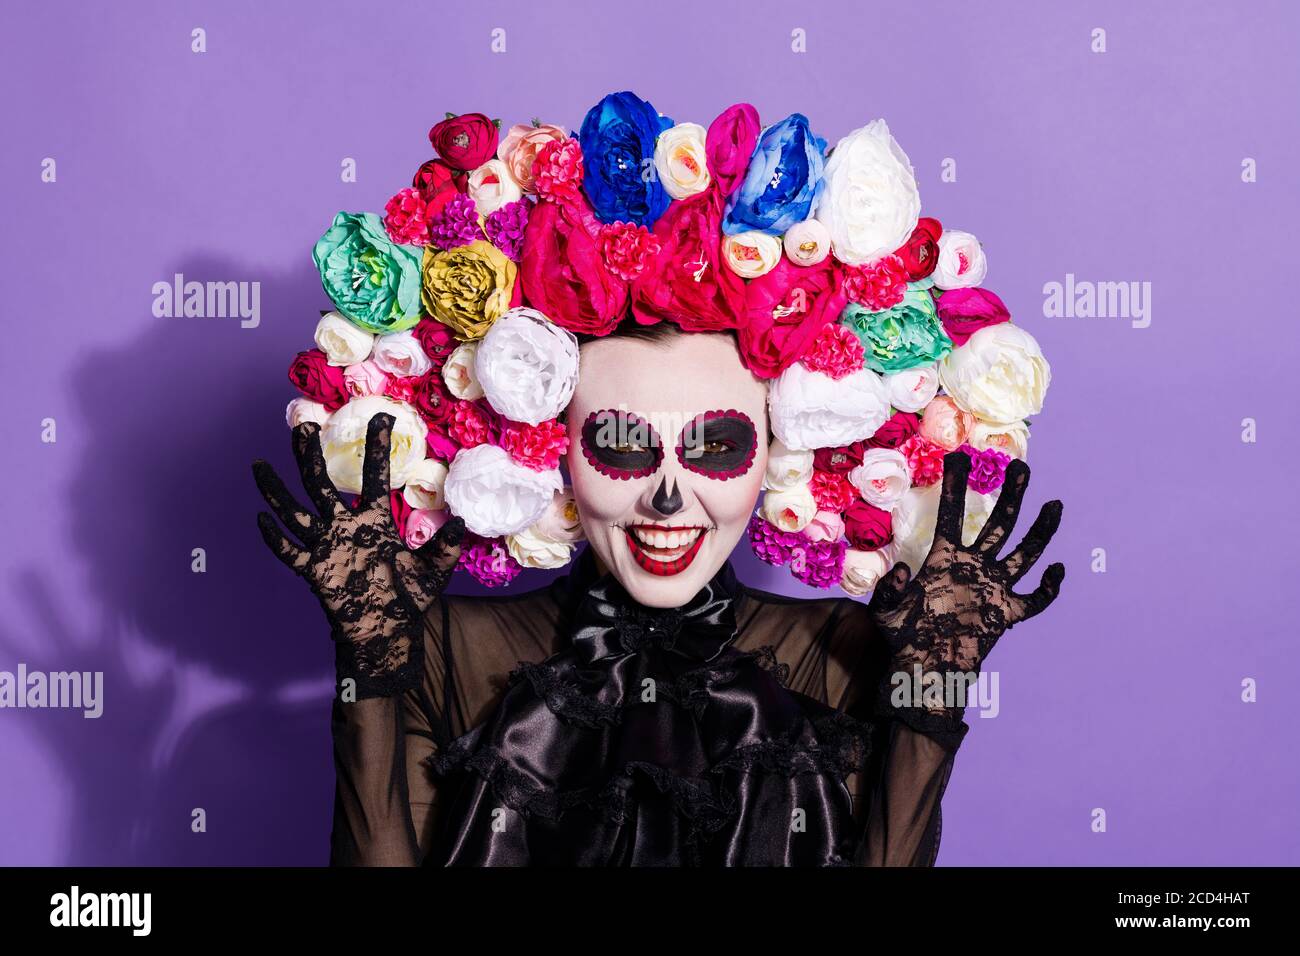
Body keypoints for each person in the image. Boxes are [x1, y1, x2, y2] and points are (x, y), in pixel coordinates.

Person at [253, 319, 1065, 866]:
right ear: (554, 453)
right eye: (619, 444)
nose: (668, 498)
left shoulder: (837, 651)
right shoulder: (448, 651)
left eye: (715, 444)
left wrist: (939, 686)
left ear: (776, 458)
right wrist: (364, 672)